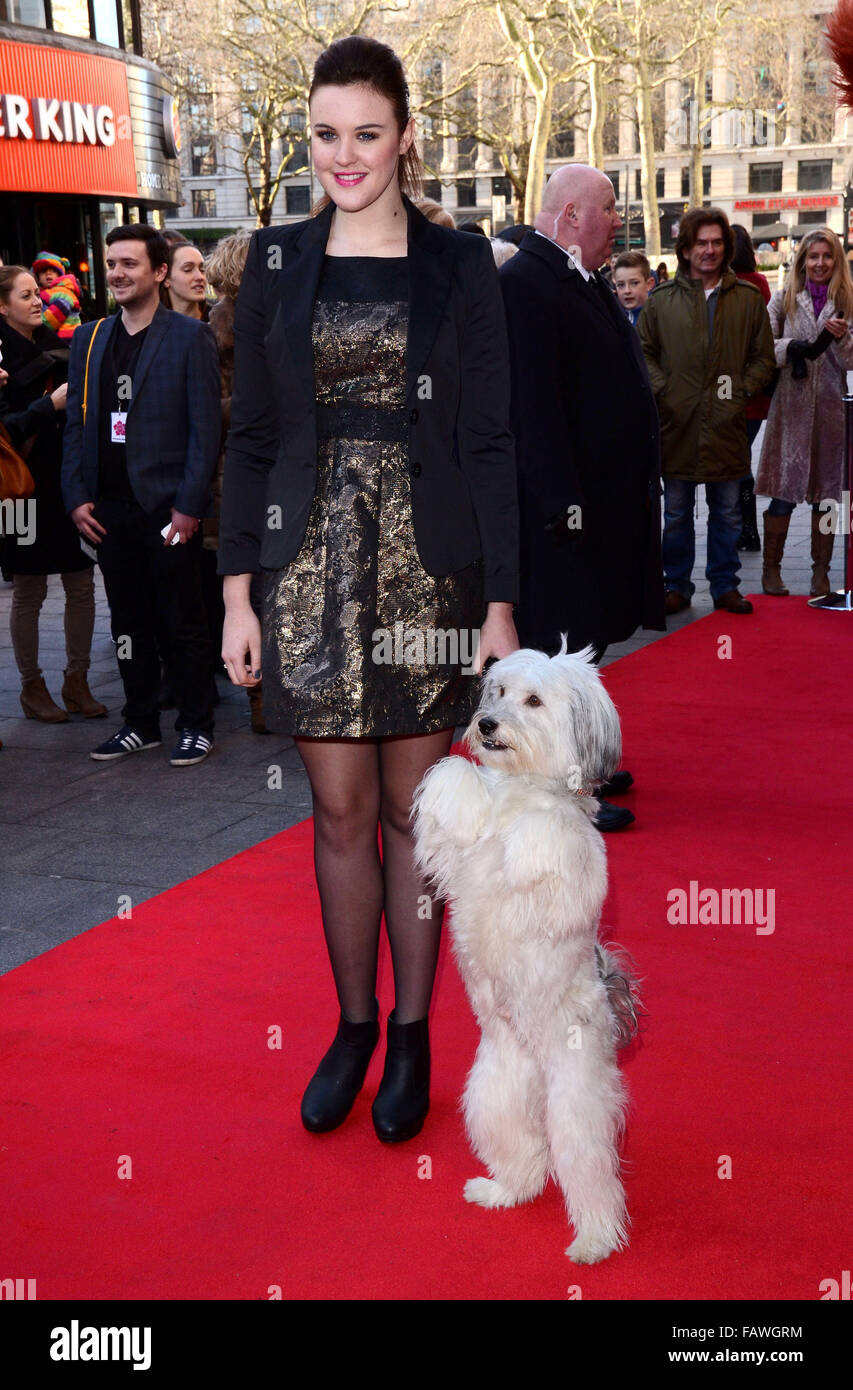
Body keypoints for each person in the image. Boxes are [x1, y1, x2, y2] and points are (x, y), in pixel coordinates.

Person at [218, 34, 519, 1143]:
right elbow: (249, 438)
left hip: (429, 575)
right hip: (305, 573)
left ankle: (413, 1029)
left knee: (412, 809)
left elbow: (490, 441)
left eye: (367, 134)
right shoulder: (276, 261)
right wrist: (236, 592)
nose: (344, 156)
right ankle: (351, 1022)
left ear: (404, 139)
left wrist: (496, 605)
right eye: (325, 135)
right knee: (339, 811)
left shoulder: (460, 265)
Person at [499, 163, 665, 833]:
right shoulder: (525, 287)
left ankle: (581, 766)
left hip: (594, 510)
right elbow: (532, 412)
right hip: (560, 520)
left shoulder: (574, 277)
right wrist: (563, 508)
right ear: (571, 215)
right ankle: (558, 791)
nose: (617, 220)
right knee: (554, 657)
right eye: (608, 208)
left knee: (581, 651)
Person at [61, 223, 222, 766]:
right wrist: (76, 496)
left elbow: (206, 430)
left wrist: (188, 506)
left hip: (166, 506)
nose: (117, 273)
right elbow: (76, 426)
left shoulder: (188, 337)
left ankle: (196, 722)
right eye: (111, 264)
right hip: (108, 510)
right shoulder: (88, 339)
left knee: (182, 620)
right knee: (127, 621)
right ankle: (140, 721)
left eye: (129, 264)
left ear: (157, 272)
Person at [639, 207, 776, 616]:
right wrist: (666, 392)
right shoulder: (662, 301)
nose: (709, 250)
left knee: (729, 514)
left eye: (717, 242)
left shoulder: (748, 299)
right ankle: (676, 585)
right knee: (677, 513)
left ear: (727, 247)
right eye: (701, 243)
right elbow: (642, 352)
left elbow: (763, 358)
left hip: (727, 427)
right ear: (685, 248)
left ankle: (725, 585)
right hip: (676, 426)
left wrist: (739, 394)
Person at [0, 265, 105, 722]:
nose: (37, 300)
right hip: (16, 492)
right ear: (2, 307)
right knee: (28, 590)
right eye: (25, 296)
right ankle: (31, 686)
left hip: (64, 482)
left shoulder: (57, 342)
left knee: (81, 583)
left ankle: (77, 680)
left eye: (36, 292)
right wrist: (50, 404)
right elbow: (5, 429)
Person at [755, 226, 853, 597]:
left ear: (836, 261)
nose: (820, 263)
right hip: (790, 412)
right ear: (802, 260)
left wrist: (842, 337)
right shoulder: (783, 298)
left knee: (826, 495)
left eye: (827, 256)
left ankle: (821, 573)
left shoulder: (849, 300)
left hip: (831, 412)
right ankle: (771, 570)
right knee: (783, 493)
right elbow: (764, 346)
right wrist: (791, 347)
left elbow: (851, 362)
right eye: (813, 256)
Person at [201, 231, 262, 728]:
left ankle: (262, 692)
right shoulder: (219, 331)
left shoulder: (254, 319)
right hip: (234, 473)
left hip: (237, 472)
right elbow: (210, 411)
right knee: (251, 588)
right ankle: (260, 696)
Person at [730, 224, 772, 552]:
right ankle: (746, 529)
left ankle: (745, 529)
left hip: (736, 388)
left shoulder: (736, 284)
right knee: (739, 458)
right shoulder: (759, 283)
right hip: (755, 393)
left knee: (735, 460)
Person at [31, 252, 83, 340]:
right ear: (38, 277)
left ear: (59, 275)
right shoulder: (45, 292)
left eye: (53, 271)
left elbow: (59, 310)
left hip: (66, 340)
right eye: (44, 271)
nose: (48, 274)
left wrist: (38, 327)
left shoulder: (63, 290)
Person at [160, 240, 209, 320]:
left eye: (202, 269)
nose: (200, 277)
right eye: (188, 270)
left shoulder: (218, 320)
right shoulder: (151, 325)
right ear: (166, 278)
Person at [612, 250, 655, 326]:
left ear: (649, 284)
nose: (627, 291)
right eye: (621, 285)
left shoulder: (658, 319)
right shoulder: (610, 317)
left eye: (634, 283)